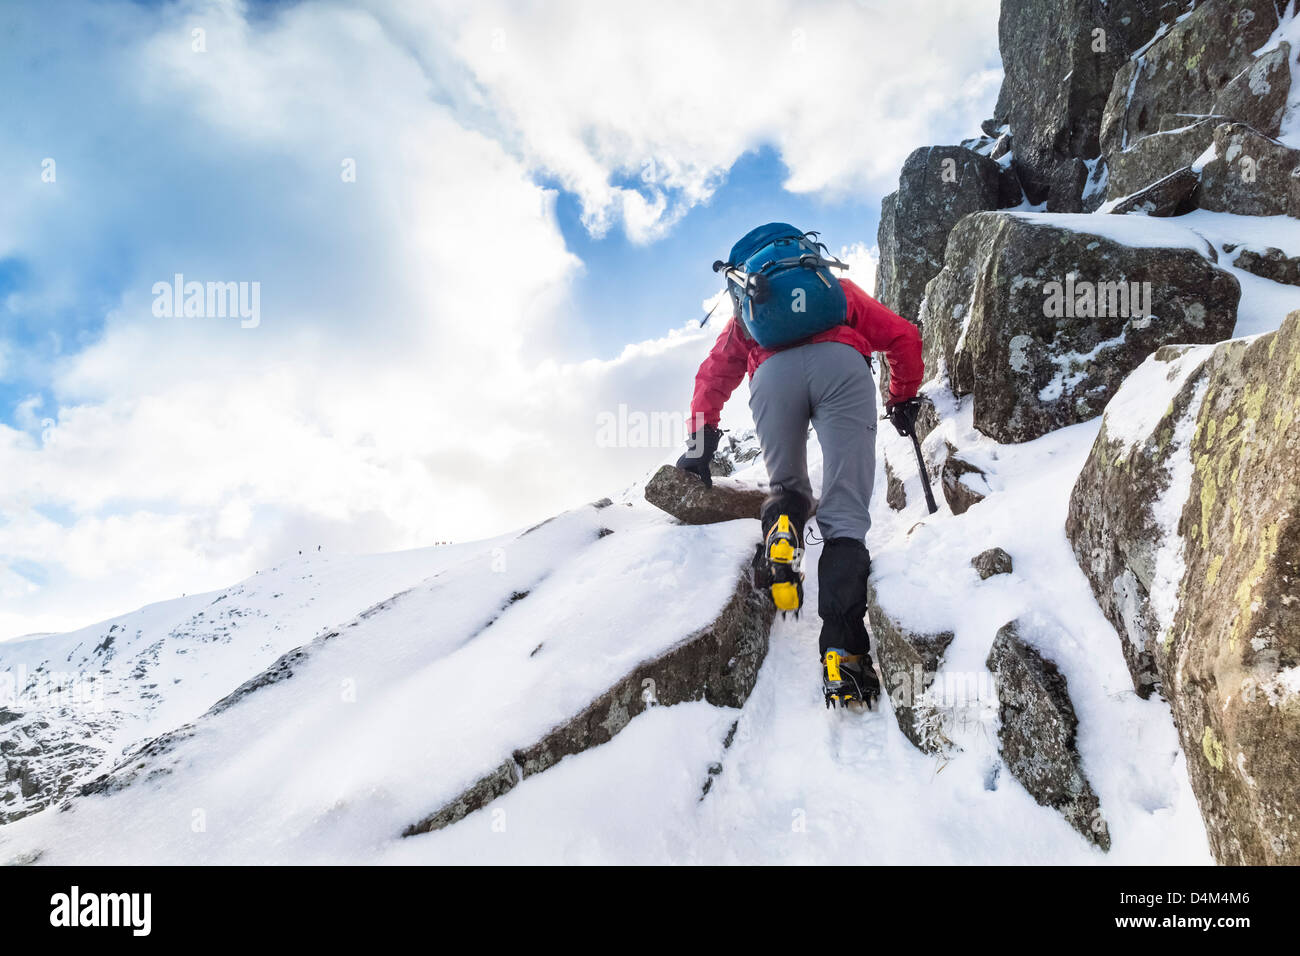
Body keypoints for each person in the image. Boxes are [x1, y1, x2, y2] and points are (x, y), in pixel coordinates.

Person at [675, 229, 924, 707]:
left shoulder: (750, 311)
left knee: (787, 486)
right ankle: (843, 657)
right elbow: (903, 337)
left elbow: (713, 375)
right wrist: (902, 398)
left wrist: (700, 443)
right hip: (842, 370)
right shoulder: (837, 293)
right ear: (807, 257)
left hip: (772, 379)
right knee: (846, 518)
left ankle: (783, 528)